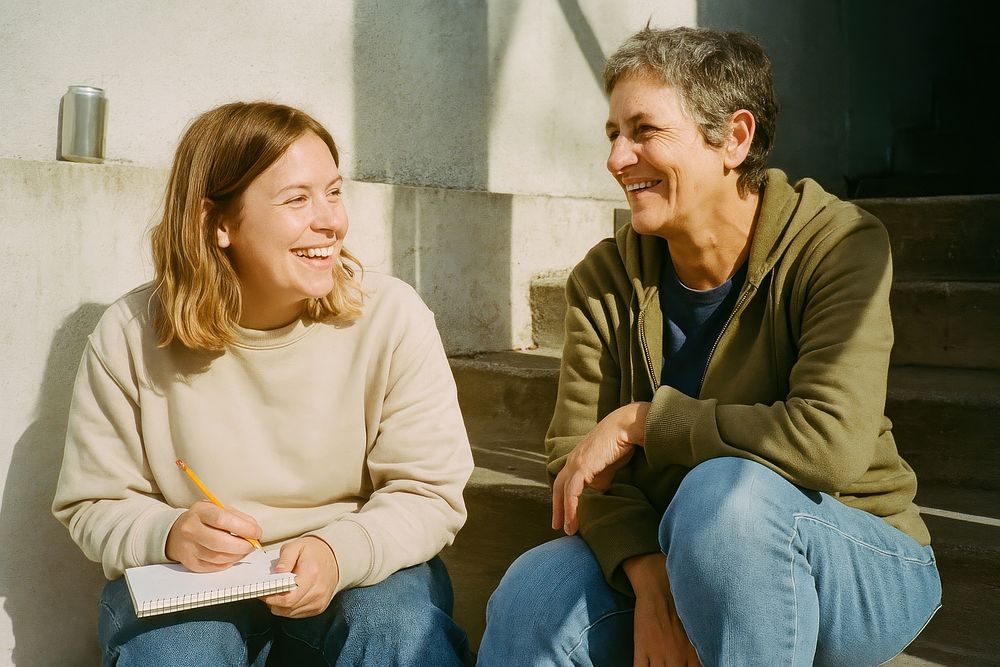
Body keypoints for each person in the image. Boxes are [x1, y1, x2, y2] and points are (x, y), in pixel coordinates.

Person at [479, 26, 941, 666]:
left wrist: (646, 421)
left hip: (855, 558)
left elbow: (831, 440)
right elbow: (574, 461)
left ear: (735, 137)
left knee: (725, 501)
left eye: (644, 131)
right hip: (675, 550)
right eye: (613, 134)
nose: (616, 158)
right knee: (534, 590)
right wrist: (649, 578)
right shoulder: (604, 280)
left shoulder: (837, 246)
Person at [52, 101, 474, 666]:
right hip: (192, 584)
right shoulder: (129, 334)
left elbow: (430, 493)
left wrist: (335, 550)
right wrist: (169, 531)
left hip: (354, 576)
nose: (331, 221)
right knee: (178, 653)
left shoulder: (391, 317)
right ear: (217, 223)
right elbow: (92, 502)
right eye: (297, 199)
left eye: (333, 191)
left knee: (398, 628)